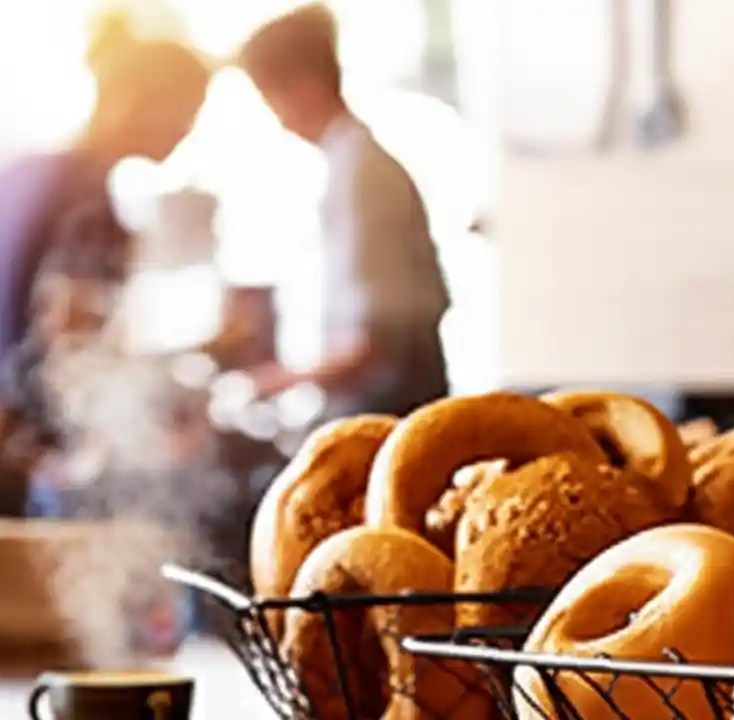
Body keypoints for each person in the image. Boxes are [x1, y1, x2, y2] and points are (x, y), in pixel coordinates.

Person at [0, 15, 210, 516]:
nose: (188, 130)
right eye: (185, 109)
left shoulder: (25, 173)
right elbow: (69, 348)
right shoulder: (90, 205)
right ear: (138, 100)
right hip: (24, 455)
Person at [239, 4, 452, 418]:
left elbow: (372, 343)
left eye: (268, 99)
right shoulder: (350, 163)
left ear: (304, 87)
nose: (275, 118)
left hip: (391, 411)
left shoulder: (364, 174)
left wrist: (276, 382)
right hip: (385, 402)